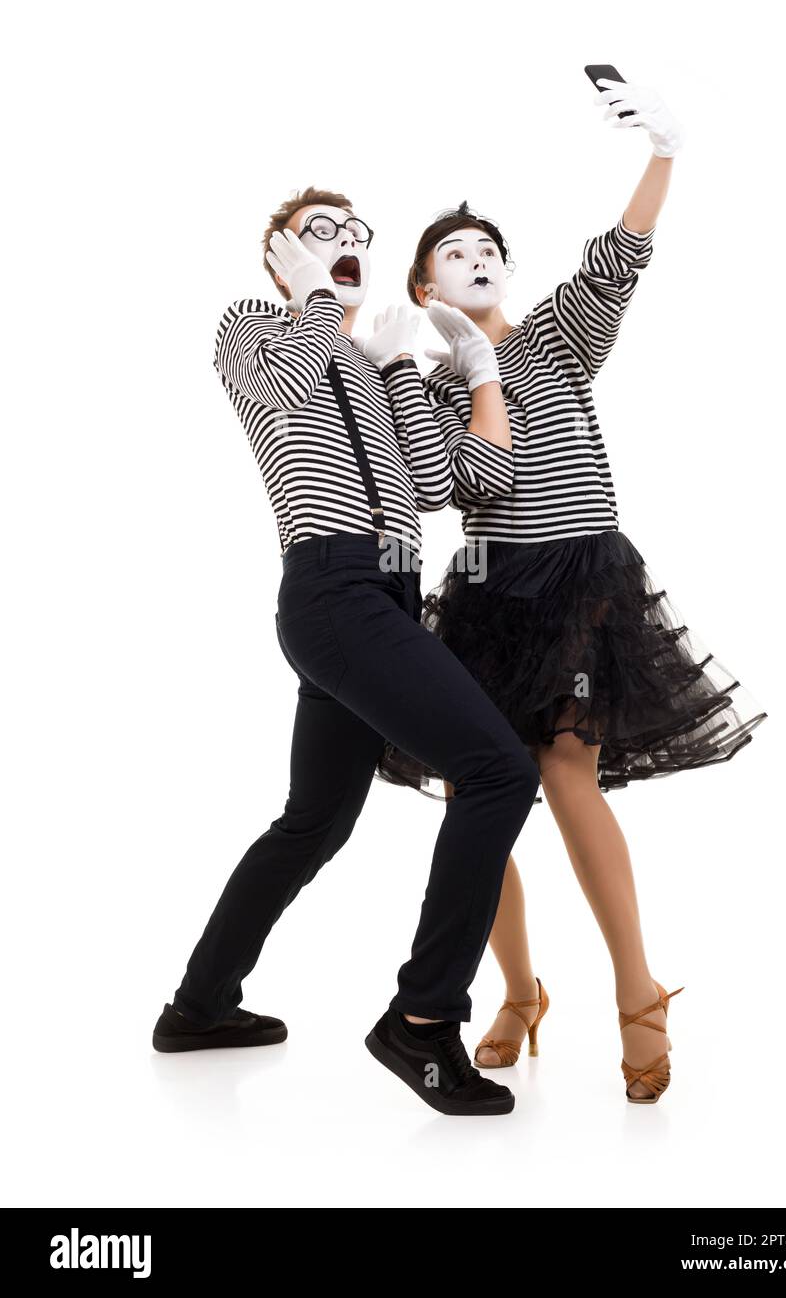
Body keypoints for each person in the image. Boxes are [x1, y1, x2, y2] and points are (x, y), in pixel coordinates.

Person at [380, 78, 768, 1103]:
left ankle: (635, 992)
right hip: (485, 590)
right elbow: (469, 486)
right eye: (452, 253)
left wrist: (662, 155)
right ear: (423, 286)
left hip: (580, 575)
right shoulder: (420, 388)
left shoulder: (553, 338)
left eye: (487, 247)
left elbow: (616, 259)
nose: (476, 258)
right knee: (475, 792)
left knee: (564, 775)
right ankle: (516, 991)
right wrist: (463, 374)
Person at [151, 187, 540, 1118]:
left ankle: (199, 1007)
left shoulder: (370, 360)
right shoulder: (252, 326)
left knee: (315, 822)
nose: (344, 243)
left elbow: (461, 482)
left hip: (387, 602)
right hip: (331, 590)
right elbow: (285, 381)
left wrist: (418, 367)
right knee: (497, 774)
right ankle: (422, 1022)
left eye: (355, 233)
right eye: (319, 233)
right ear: (281, 256)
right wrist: (320, 303)